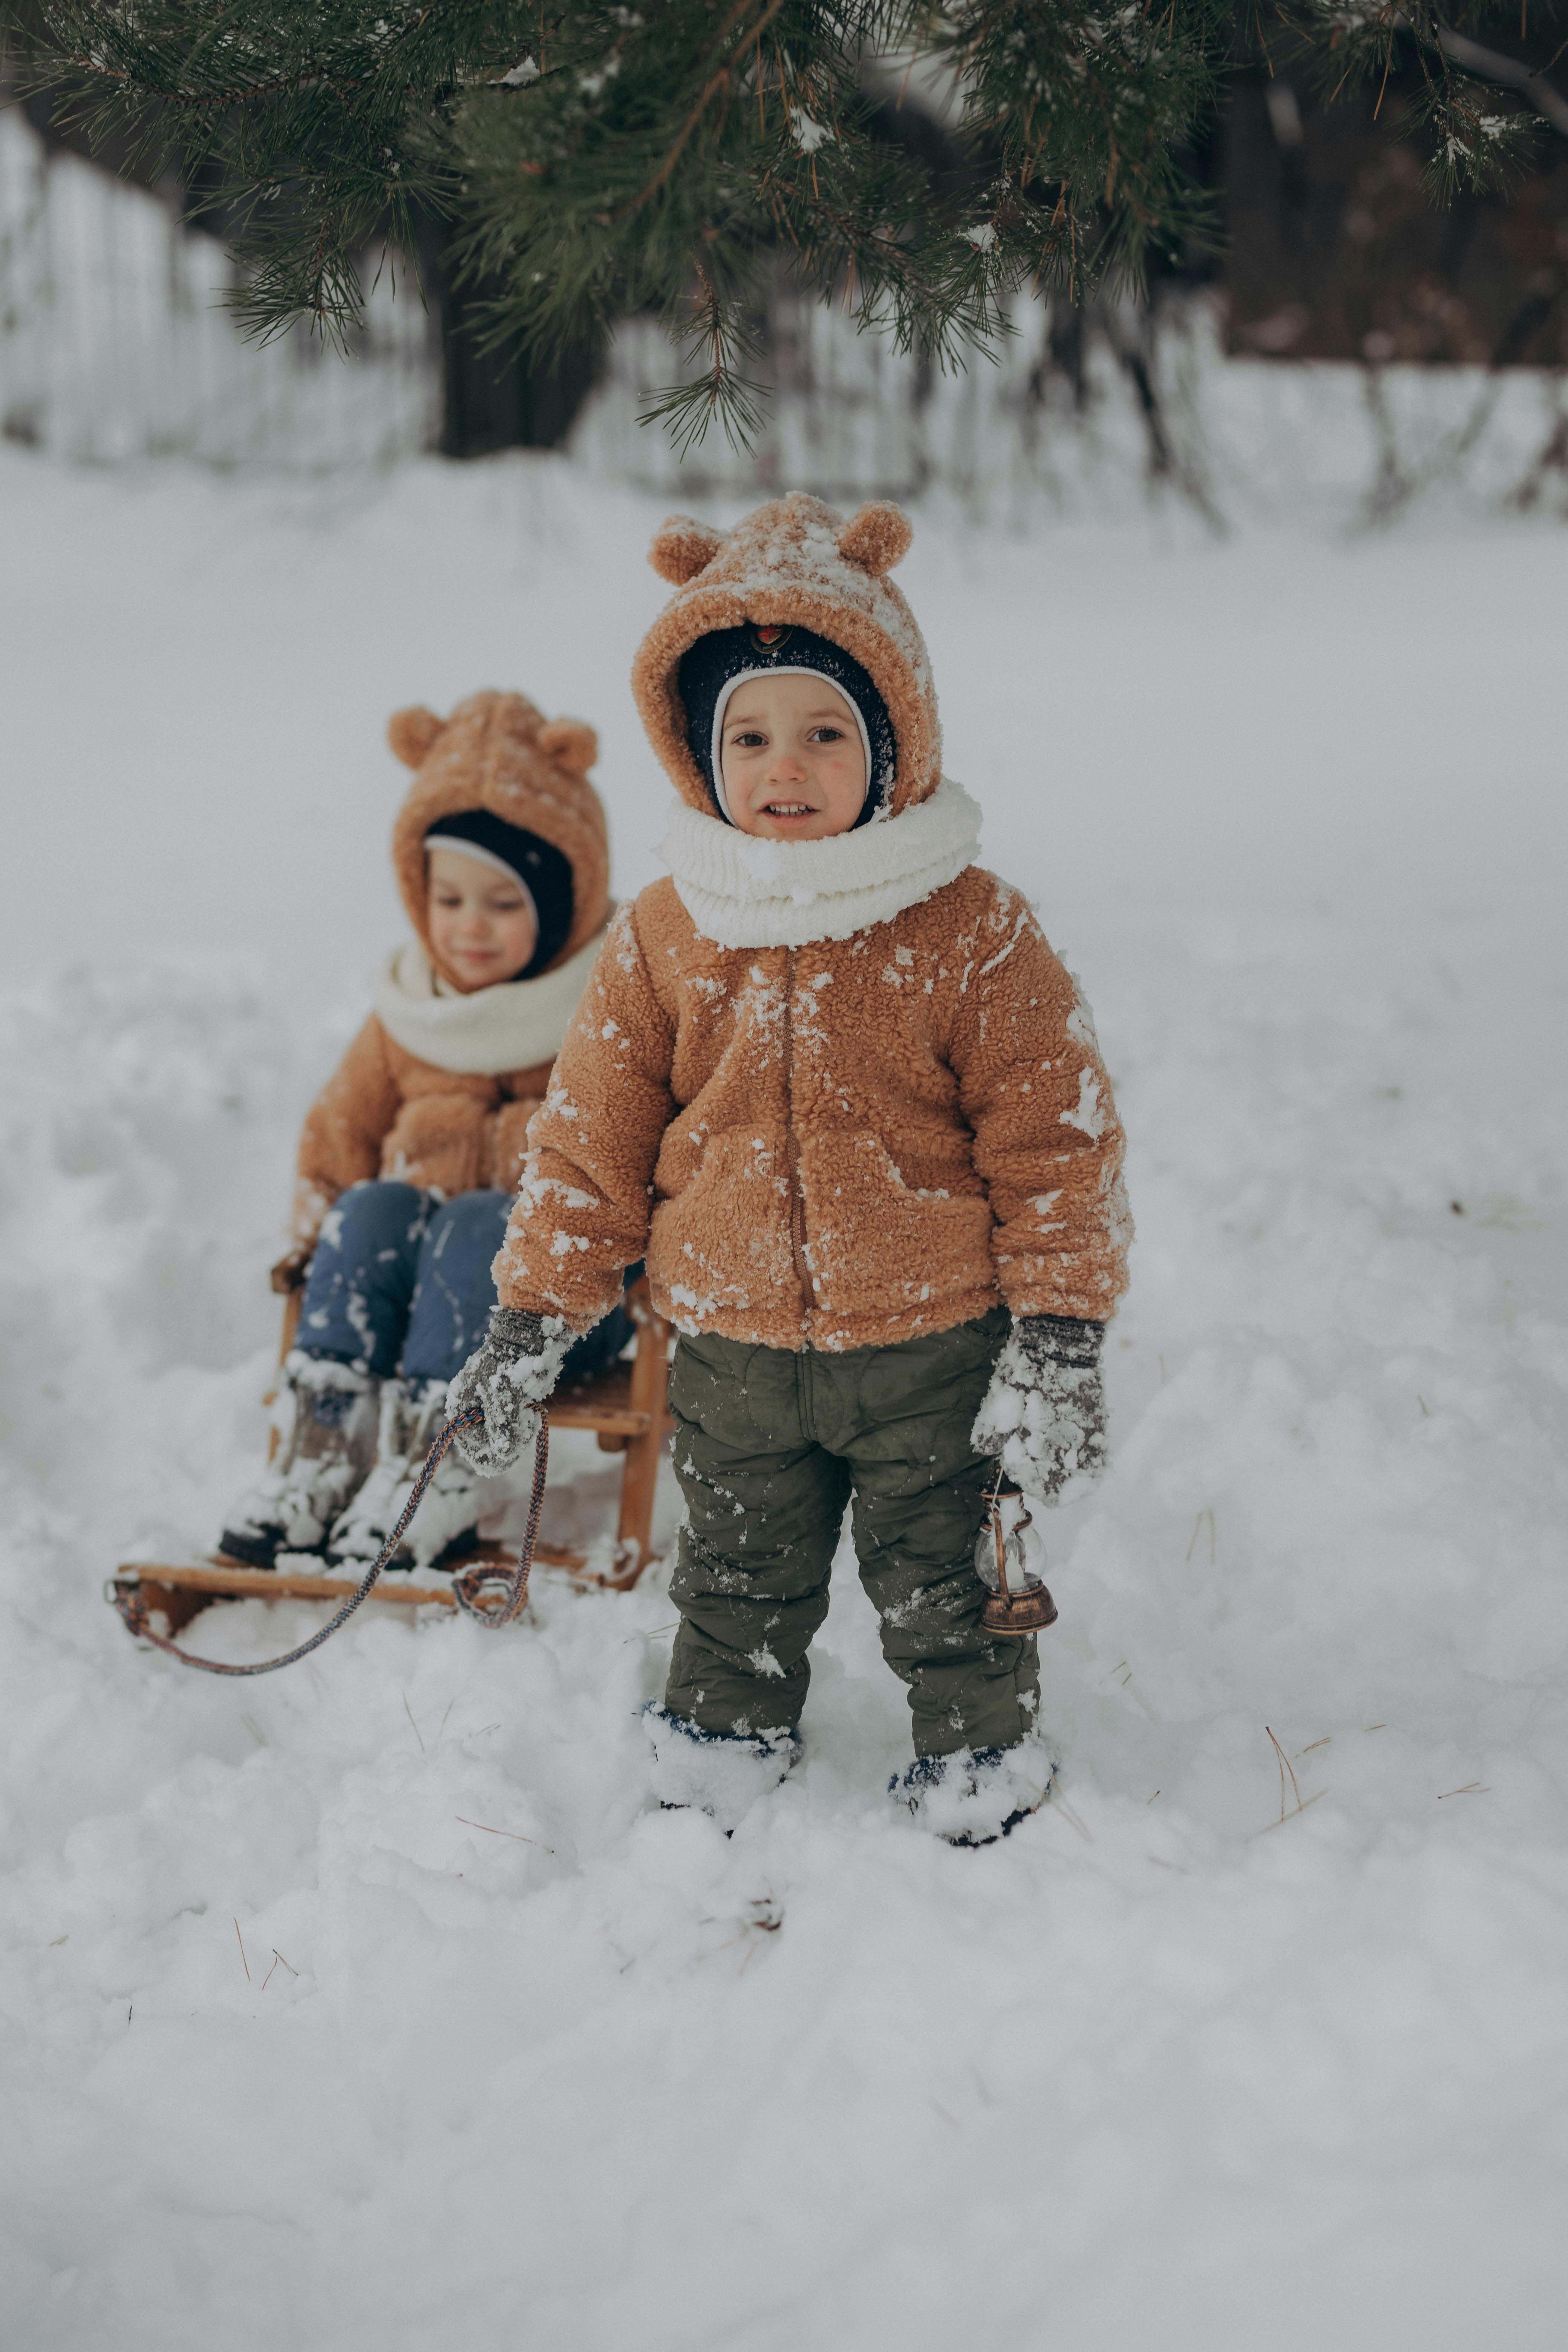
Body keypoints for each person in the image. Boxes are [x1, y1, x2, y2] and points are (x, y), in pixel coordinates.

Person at [449, 496, 1132, 1844]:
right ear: (701, 756)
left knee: (944, 1566)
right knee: (738, 1568)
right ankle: (721, 1739)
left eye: (826, 731)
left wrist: (1059, 1336)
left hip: (929, 1341)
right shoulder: (666, 931)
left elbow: (1054, 1143)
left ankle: (978, 1759)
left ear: (892, 740)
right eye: (749, 736)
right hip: (732, 1342)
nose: (786, 765)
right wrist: (531, 1321)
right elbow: (588, 1147)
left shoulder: (969, 928)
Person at [219, 690, 628, 1574]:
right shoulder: (410, 1012)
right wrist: (312, 1241)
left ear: (561, 902)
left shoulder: (613, 1004)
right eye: (448, 898)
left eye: (503, 902)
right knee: (369, 1206)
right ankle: (322, 1451)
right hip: (410, 1309)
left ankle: (440, 1466)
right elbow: (339, 1132)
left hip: (555, 1312)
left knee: (484, 1221)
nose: (468, 926)